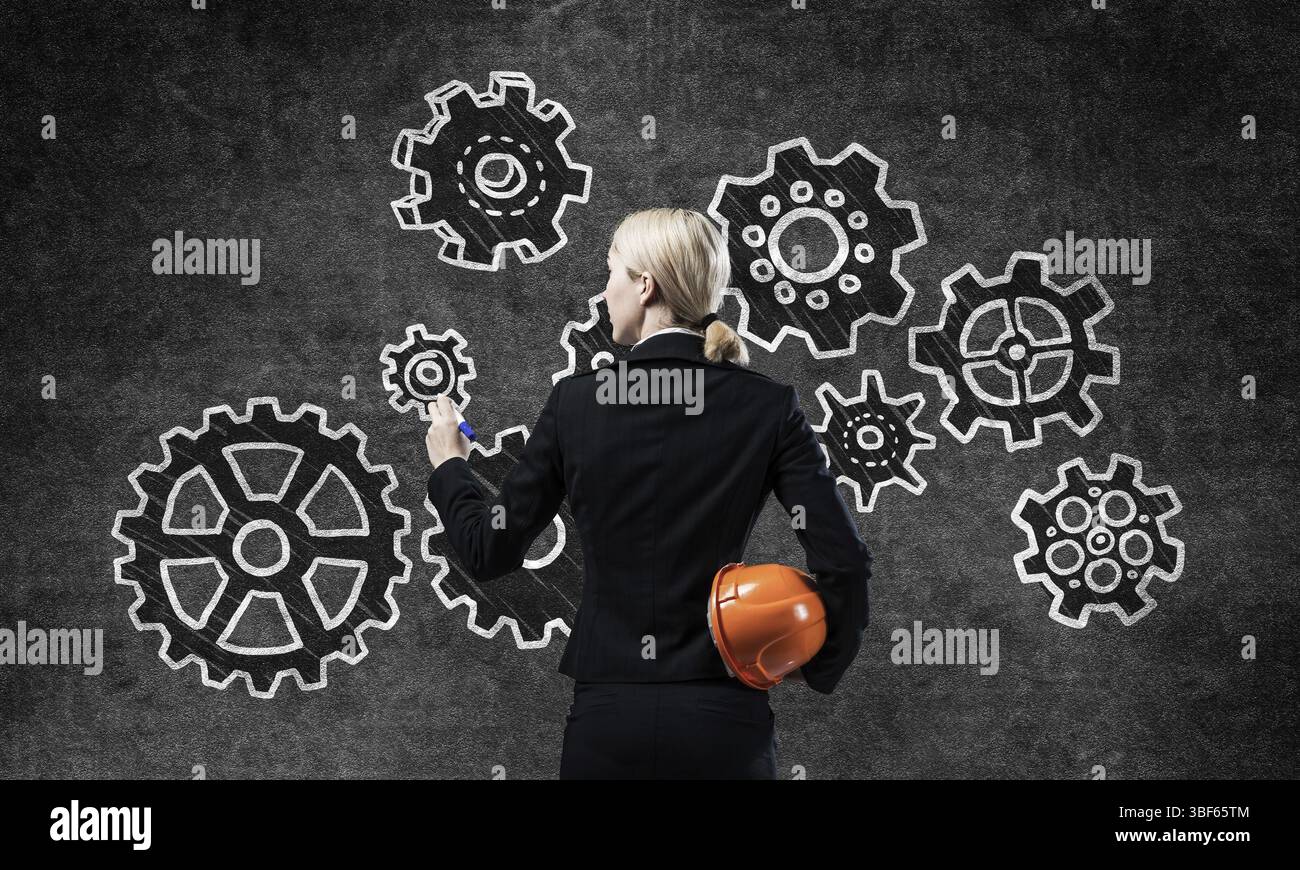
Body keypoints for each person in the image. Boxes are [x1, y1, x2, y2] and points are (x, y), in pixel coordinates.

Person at [423, 207, 872, 780]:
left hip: (610, 721)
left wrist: (449, 468)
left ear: (644, 284)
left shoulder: (576, 404)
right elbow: (846, 563)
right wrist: (818, 661)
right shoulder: (768, 406)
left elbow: (489, 550)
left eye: (611, 273)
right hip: (724, 721)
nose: (604, 293)